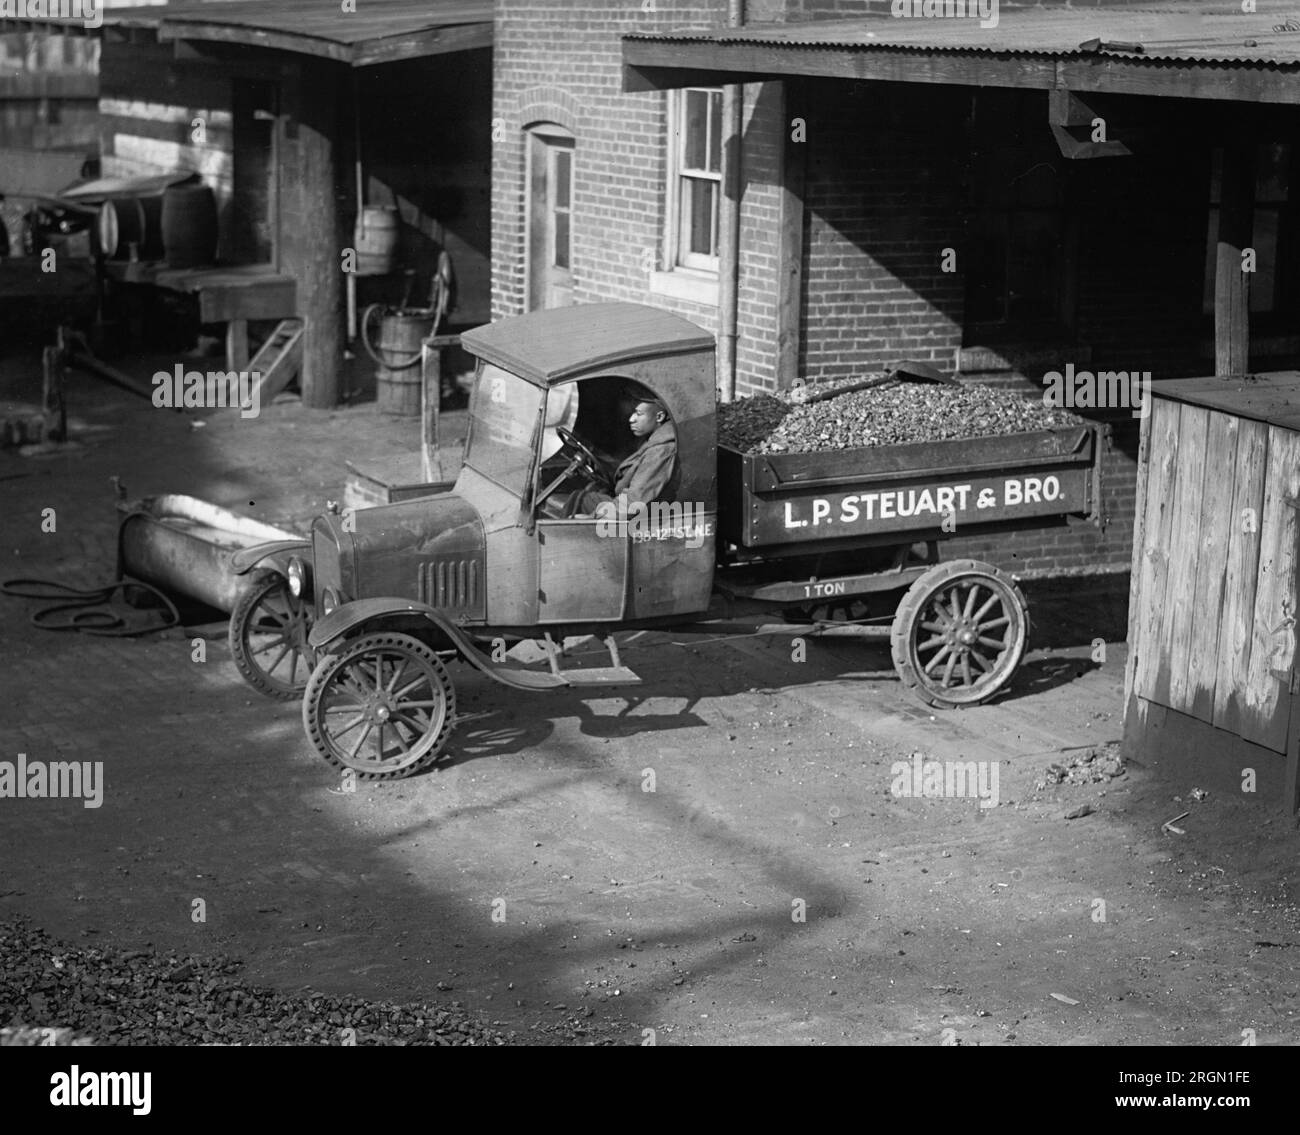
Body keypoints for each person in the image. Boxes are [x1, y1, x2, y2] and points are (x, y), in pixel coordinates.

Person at [577, 385, 677, 518]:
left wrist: (591, 518)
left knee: (578, 504)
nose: (631, 419)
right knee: (583, 498)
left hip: (641, 518)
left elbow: (634, 502)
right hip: (631, 507)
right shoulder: (653, 440)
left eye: (639, 414)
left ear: (659, 417)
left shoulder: (660, 451)